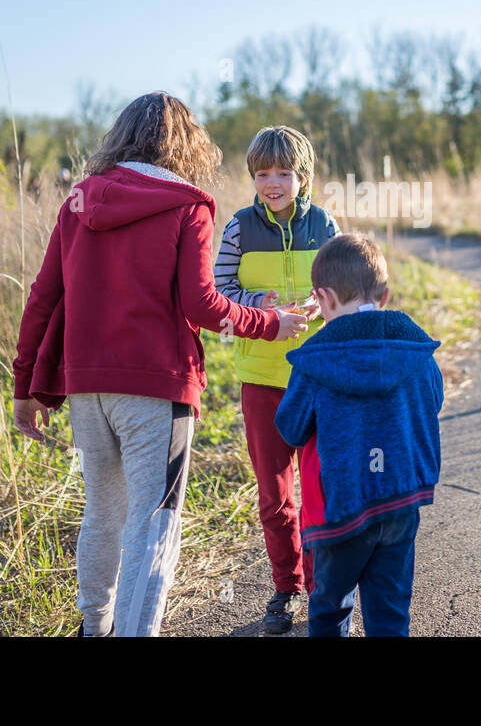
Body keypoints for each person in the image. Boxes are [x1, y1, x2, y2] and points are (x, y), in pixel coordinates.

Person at [10, 92, 308, 637]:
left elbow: (43, 297)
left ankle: (93, 626)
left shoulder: (78, 200)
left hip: (84, 386)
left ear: (121, 136)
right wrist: (271, 324)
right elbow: (201, 305)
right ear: (186, 143)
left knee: (102, 513)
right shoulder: (187, 204)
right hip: (156, 387)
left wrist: (24, 386)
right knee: (153, 523)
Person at [275, 233, 443, 637]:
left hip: (340, 507)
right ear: (383, 296)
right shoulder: (414, 350)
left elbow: (291, 427)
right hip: (401, 498)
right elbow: (433, 400)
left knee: (330, 610)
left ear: (324, 298)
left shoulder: (316, 359)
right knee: (389, 611)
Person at [213, 125, 340, 634]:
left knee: (321, 487)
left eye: (283, 173)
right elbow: (218, 291)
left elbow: (342, 288)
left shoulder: (326, 224)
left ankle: (323, 588)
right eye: (262, 173)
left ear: (301, 176)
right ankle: (285, 587)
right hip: (260, 377)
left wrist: (320, 301)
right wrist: (257, 305)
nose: (272, 182)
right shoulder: (239, 228)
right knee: (275, 493)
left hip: (317, 379)